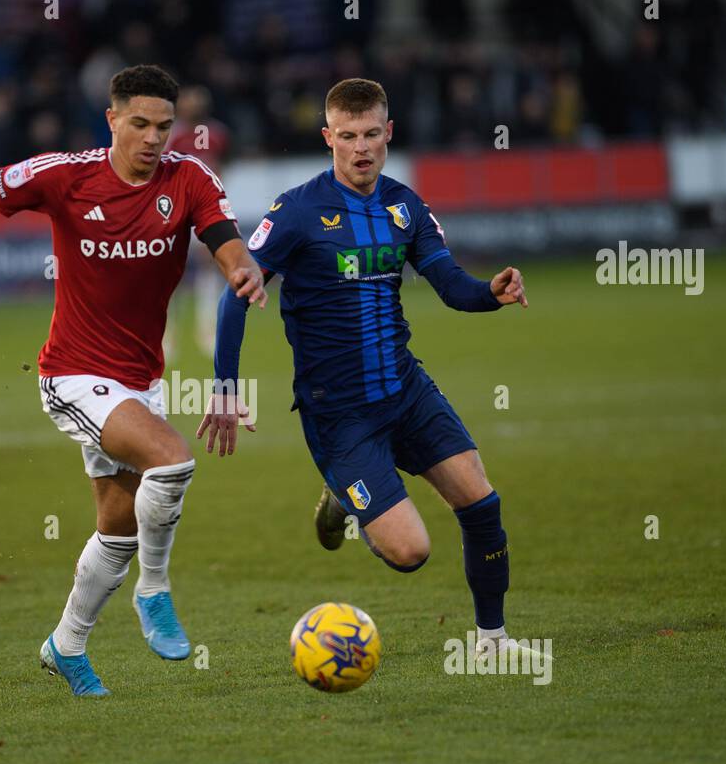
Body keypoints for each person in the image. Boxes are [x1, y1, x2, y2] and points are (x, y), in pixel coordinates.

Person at [0, 65, 265, 696]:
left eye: (163, 126)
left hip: (139, 381)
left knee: (118, 528)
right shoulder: (65, 176)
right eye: (140, 124)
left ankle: (65, 646)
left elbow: (227, 246)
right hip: (72, 374)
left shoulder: (189, 179)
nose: (154, 138)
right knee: (173, 460)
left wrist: (244, 273)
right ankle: (154, 593)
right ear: (112, 120)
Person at [198, 77, 534, 659]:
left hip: (405, 389)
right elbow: (236, 293)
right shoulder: (299, 210)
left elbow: (449, 285)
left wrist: (490, 292)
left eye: (372, 135)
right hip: (339, 413)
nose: (361, 148)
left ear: (389, 134)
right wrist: (225, 388)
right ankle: (345, 491)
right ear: (328, 137)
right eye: (348, 136)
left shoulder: (405, 205)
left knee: (482, 503)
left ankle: (492, 641)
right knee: (410, 553)